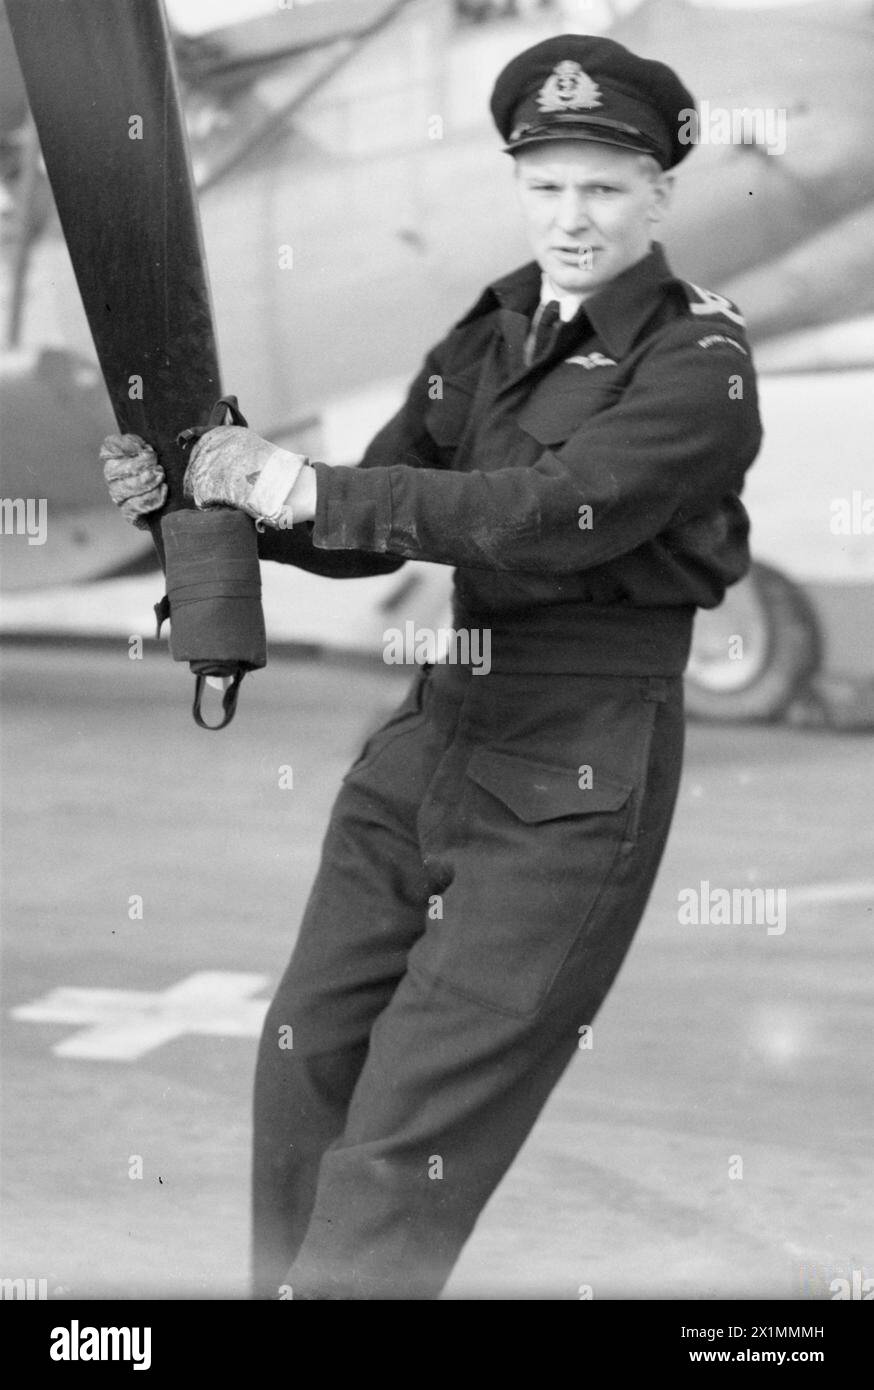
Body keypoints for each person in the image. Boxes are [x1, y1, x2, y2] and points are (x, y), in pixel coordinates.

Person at [102, 34, 763, 1300]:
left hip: (572, 774)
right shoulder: (492, 331)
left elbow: (541, 512)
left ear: (660, 194)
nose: (571, 218)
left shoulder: (697, 365)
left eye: (604, 187)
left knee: (405, 1147)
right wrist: (197, 493)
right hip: (432, 737)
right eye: (547, 184)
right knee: (305, 1071)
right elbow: (355, 529)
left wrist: (303, 480)